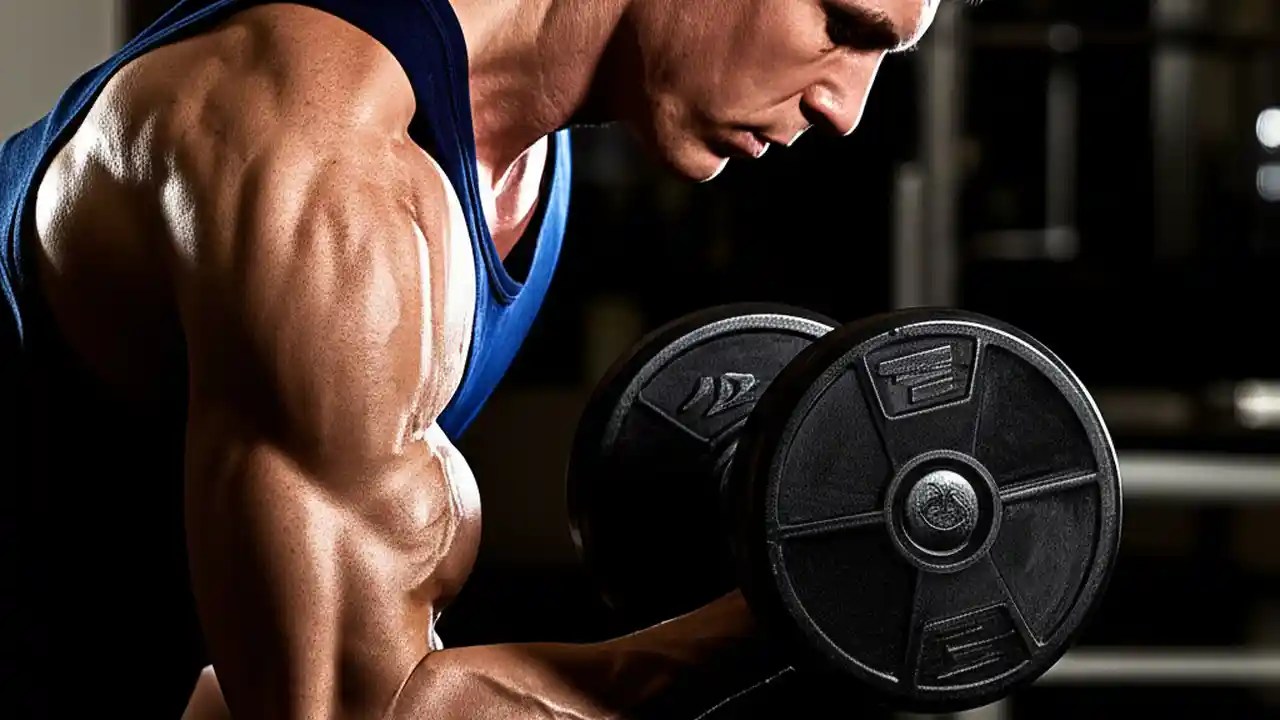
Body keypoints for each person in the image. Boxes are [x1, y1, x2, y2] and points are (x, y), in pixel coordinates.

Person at [0, 0, 941, 717]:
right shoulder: (329, 176)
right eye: (844, 24)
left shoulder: (524, 161)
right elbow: (347, 710)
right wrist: (791, 606)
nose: (847, 108)